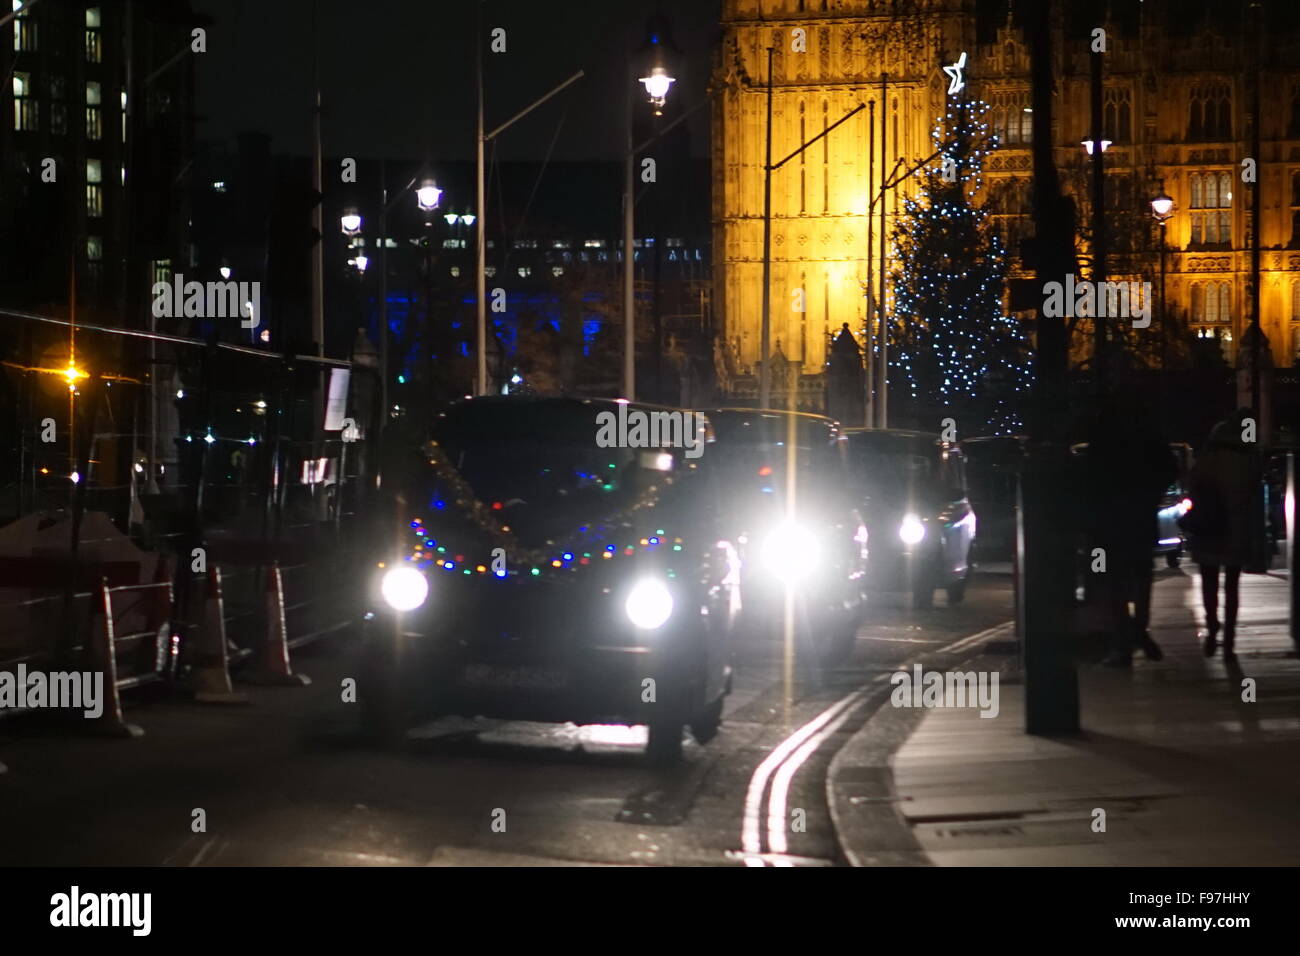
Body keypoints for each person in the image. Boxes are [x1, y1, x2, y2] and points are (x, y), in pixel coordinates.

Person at [1082, 397, 1177, 667]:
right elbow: (1170, 470)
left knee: (1115, 582)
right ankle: (1138, 630)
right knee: (1141, 576)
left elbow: (1089, 478)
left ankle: (1125, 640)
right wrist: (1151, 496)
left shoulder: (1104, 438)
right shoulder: (1148, 438)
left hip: (1111, 519)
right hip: (1139, 516)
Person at [1184, 410, 1265, 662]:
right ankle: (1229, 643)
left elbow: (1192, 483)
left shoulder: (1209, 456)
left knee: (1209, 582)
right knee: (1232, 586)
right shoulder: (1248, 459)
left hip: (1210, 526)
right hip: (1236, 527)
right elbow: (1252, 490)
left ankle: (1212, 625)